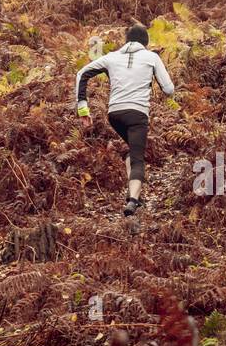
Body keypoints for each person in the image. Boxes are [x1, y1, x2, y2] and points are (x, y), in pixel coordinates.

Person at [74, 24, 175, 216]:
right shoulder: (152, 57)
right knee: (138, 159)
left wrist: (82, 108)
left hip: (115, 114)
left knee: (132, 152)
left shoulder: (111, 57)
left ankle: (134, 193)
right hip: (137, 115)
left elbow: (82, 74)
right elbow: (169, 90)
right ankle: (133, 201)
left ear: (126, 41)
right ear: (146, 43)